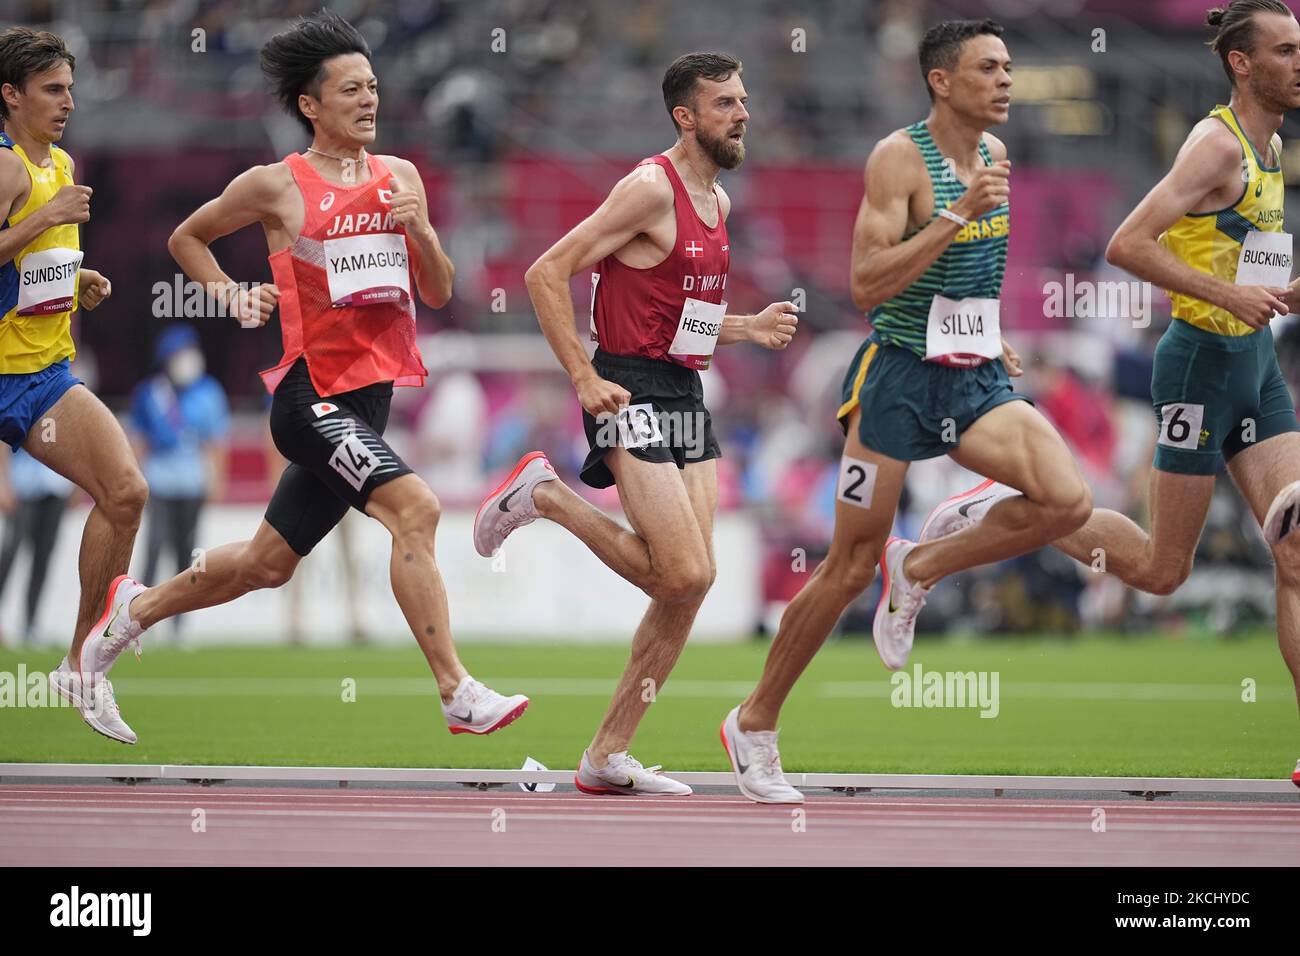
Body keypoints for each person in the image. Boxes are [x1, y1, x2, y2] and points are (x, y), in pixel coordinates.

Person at [73, 10, 528, 743]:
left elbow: (438, 292)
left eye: (374, 86)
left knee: (265, 564)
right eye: (351, 89)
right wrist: (229, 292)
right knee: (415, 509)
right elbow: (186, 236)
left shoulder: (400, 177)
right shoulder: (274, 185)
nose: (370, 100)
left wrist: (422, 229)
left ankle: (131, 610)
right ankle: (456, 690)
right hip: (311, 398)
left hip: (372, 402)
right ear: (311, 106)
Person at [721, 19, 1096, 803]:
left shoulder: (994, 155)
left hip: (972, 378)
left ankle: (919, 563)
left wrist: (992, 341)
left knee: (1067, 500)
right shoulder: (900, 158)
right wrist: (956, 211)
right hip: (894, 384)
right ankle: (753, 725)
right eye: (988, 68)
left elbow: (974, 276)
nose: (1006, 81)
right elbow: (864, 285)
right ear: (942, 81)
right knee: (847, 565)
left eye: (1008, 67)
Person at [933, 0, 1300, 787]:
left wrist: (1272, 291)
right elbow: (1125, 243)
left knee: (1296, 550)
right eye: (1286, 50)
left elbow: (1241, 257)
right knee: (1165, 571)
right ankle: (1014, 504)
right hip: (1200, 365)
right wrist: (1222, 295)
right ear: (1242, 63)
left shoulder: (1272, 146)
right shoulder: (1215, 144)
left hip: (1256, 365)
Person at [473, 52, 799, 795]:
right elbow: (546, 273)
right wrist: (584, 378)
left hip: (683, 391)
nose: (742, 113)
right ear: (686, 117)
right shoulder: (649, 188)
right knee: (683, 570)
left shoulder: (720, 204)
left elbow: (678, 317)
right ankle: (545, 496)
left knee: (691, 585)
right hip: (629, 390)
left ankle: (604, 754)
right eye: (725, 104)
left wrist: (744, 328)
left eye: (744, 100)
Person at [0, 27, 150, 739]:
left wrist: (73, 279)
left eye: (70, 89)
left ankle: (82, 662)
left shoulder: (59, 161)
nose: (68, 102)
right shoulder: (7, 171)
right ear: (10, 95)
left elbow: (27, 269)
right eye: (52, 90)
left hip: (42, 376)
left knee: (125, 492)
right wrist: (45, 218)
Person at [129, 323, 230, 642]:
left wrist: (217, 482)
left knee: (188, 556)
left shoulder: (208, 391)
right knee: (154, 547)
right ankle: (138, 620)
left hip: (193, 484)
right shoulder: (149, 393)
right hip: (159, 482)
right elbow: (139, 442)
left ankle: (178, 626)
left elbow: (216, 442)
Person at [0, 446, 71, 643]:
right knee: (9, 553)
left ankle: (30, 624)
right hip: (22, 486)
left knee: (43, 558)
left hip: (55, 487)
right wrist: (4, 483)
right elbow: (4, 441)